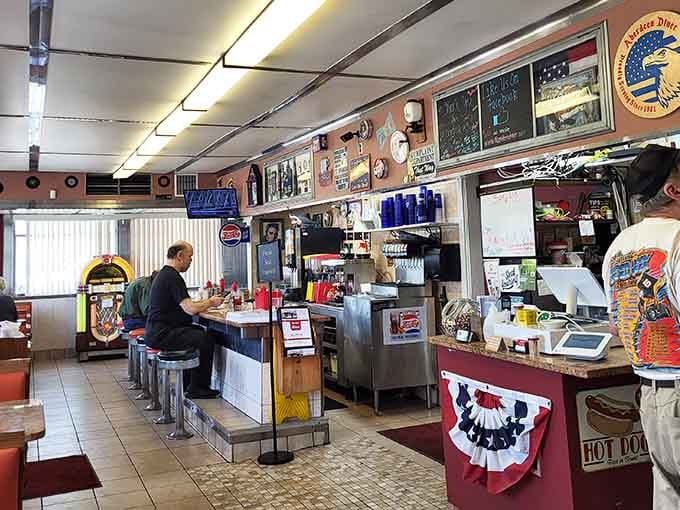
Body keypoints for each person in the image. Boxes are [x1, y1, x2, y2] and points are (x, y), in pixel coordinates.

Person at [602, 145, 680, 509]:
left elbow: (617, 324)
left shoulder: (618, 248)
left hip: (652, 398)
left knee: (667, 493)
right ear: (673, 191)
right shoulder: (678, 240)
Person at [145, 241, 223, 399]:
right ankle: (198, 387)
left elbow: (186, 305)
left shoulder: (165, 274)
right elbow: (190, 309)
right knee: (204, 339)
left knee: (198, 332)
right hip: (162, 334)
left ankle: (189, 384)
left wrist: (203, 304)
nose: (191, 261)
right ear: (180, 256)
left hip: (157, 331)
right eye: (190, 257)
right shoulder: (172, 277)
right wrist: (210, 302)